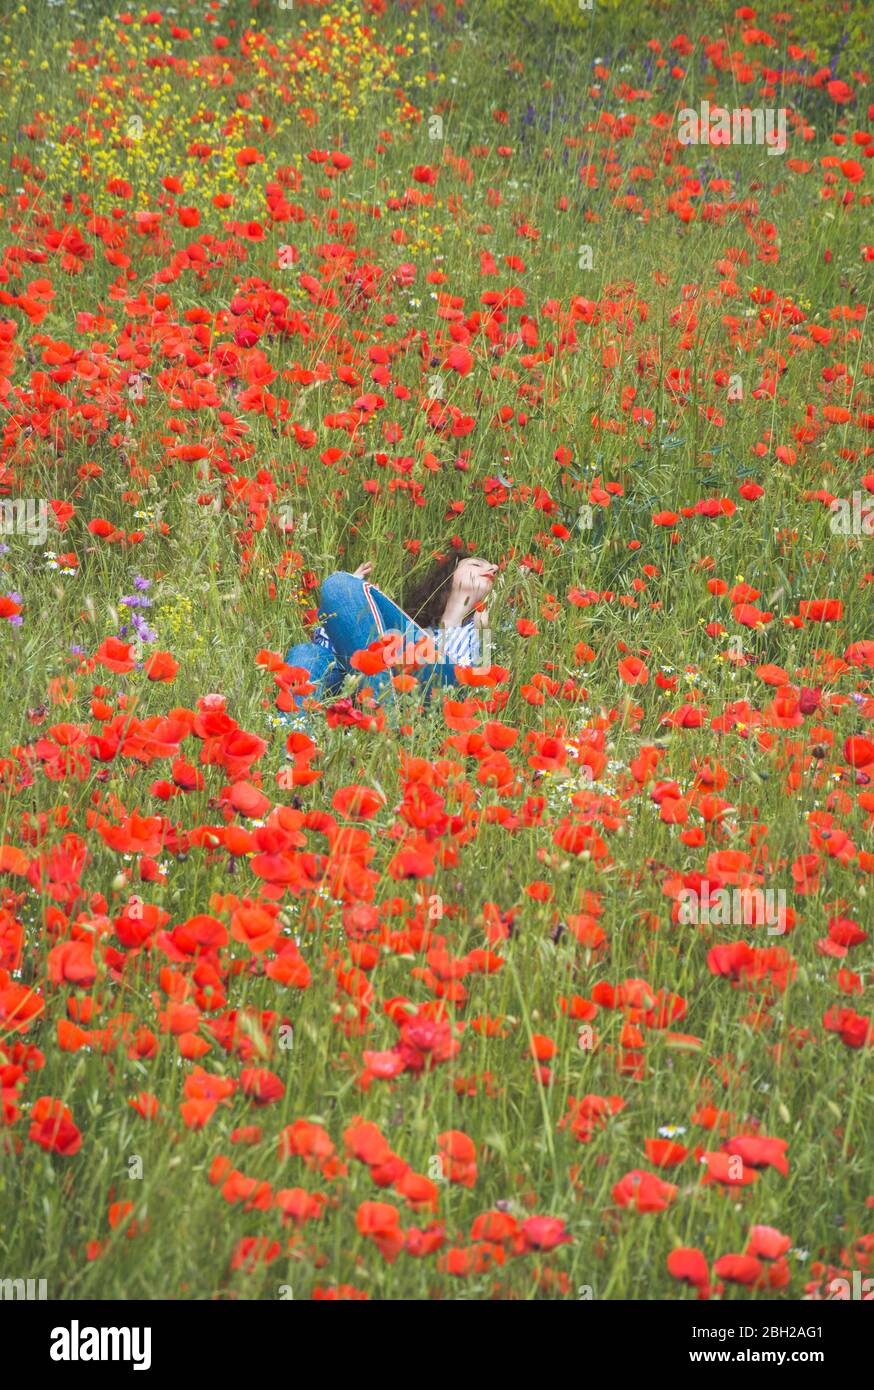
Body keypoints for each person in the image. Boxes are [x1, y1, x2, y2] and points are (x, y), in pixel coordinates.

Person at [284, 553, 497, 713]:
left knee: (339, 585)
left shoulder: (480, 626)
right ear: (448, 579)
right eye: (476, 564)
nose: (493, 568)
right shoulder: (412, 628)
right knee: (306, 652)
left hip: (443, 682)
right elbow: (330, 652)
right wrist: (349, 601)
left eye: (493, 568)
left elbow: (479, 686)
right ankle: (296, 745)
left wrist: (484, 634)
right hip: (385, 679)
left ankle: (382, 715)